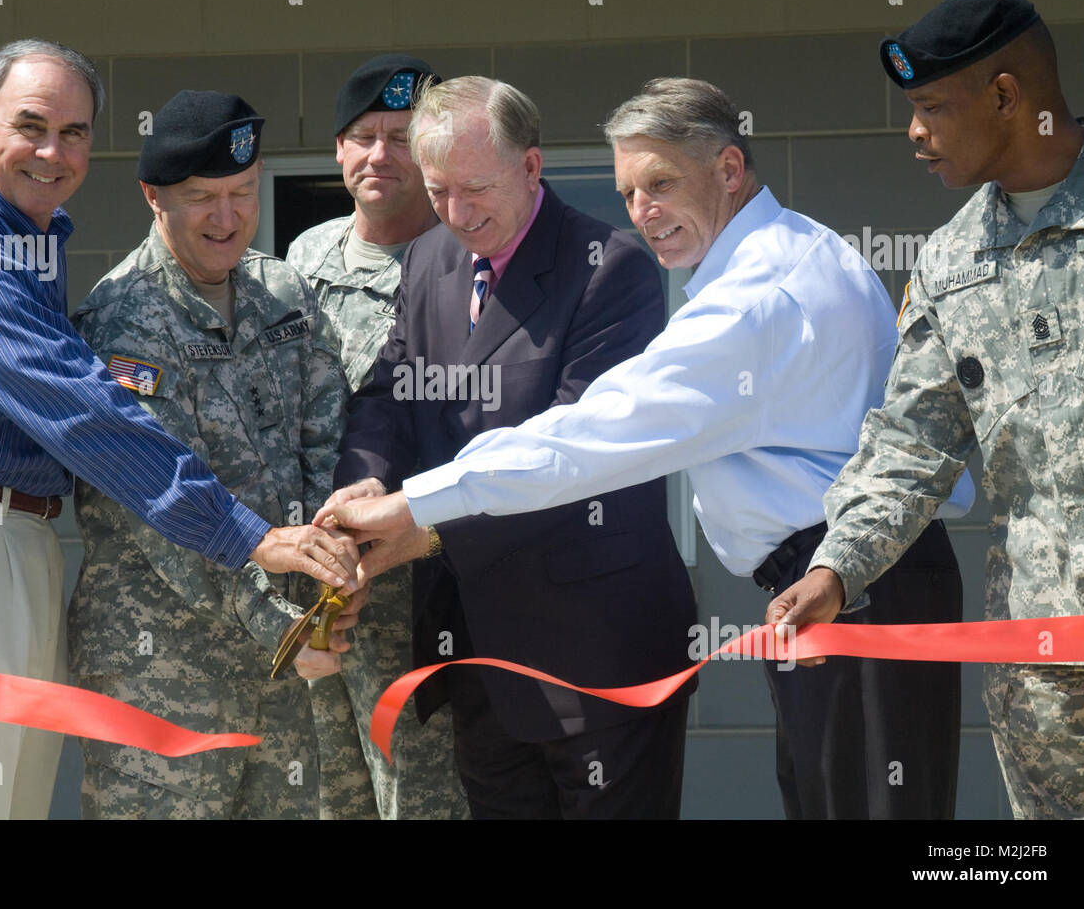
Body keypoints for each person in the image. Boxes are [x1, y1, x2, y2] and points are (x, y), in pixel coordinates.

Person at [322, 77, 976, 819]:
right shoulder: (784, 253)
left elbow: (594, 435)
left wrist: (417, 506)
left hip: (854, 585)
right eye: (629, 191)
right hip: (843, 581)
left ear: (729, 170)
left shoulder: (755, 297)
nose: (643, 213)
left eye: (661, 183)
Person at [0, 41, 357, 820]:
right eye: (32, 126)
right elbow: (85, 413)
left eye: (75, 131)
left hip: (11, 539)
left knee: (5, 805)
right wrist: (247, 537)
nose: (55, 151)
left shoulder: (26, 238)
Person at [325, 75, 697, 819]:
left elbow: (568, 457)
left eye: (476, 189)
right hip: (477, 656)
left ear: (531, 166)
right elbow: (389, 398)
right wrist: (364, 484)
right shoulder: (428, 259)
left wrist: (417, 529)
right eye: (438, 192)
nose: (457, 215)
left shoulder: (610, 270)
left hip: (597, 658)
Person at [768, 0, 1084, 819]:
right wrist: (836, 566)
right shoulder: (951, 263)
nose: (915, 133)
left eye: (932, 108)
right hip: (1046, 668)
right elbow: (910, 447)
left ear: (1005, 95)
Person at [70, 90, 354, 819]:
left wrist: (331, 583)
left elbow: (329, 443)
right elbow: (157, 508)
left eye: (240, 193)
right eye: (201, 198)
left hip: (289, 666)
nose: (225, 219)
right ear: (152, 198)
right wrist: (283, 628)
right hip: (163, 673)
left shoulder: (284, 293)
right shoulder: (122, 316)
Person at [286, 54, 469, 820]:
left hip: (420, 587)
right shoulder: (303, 260)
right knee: (334, 798)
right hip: (320, 586)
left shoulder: (470, 258)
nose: (379, 155)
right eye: (364, 136)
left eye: (401, 137)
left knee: (421, 801)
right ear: (337, 148)